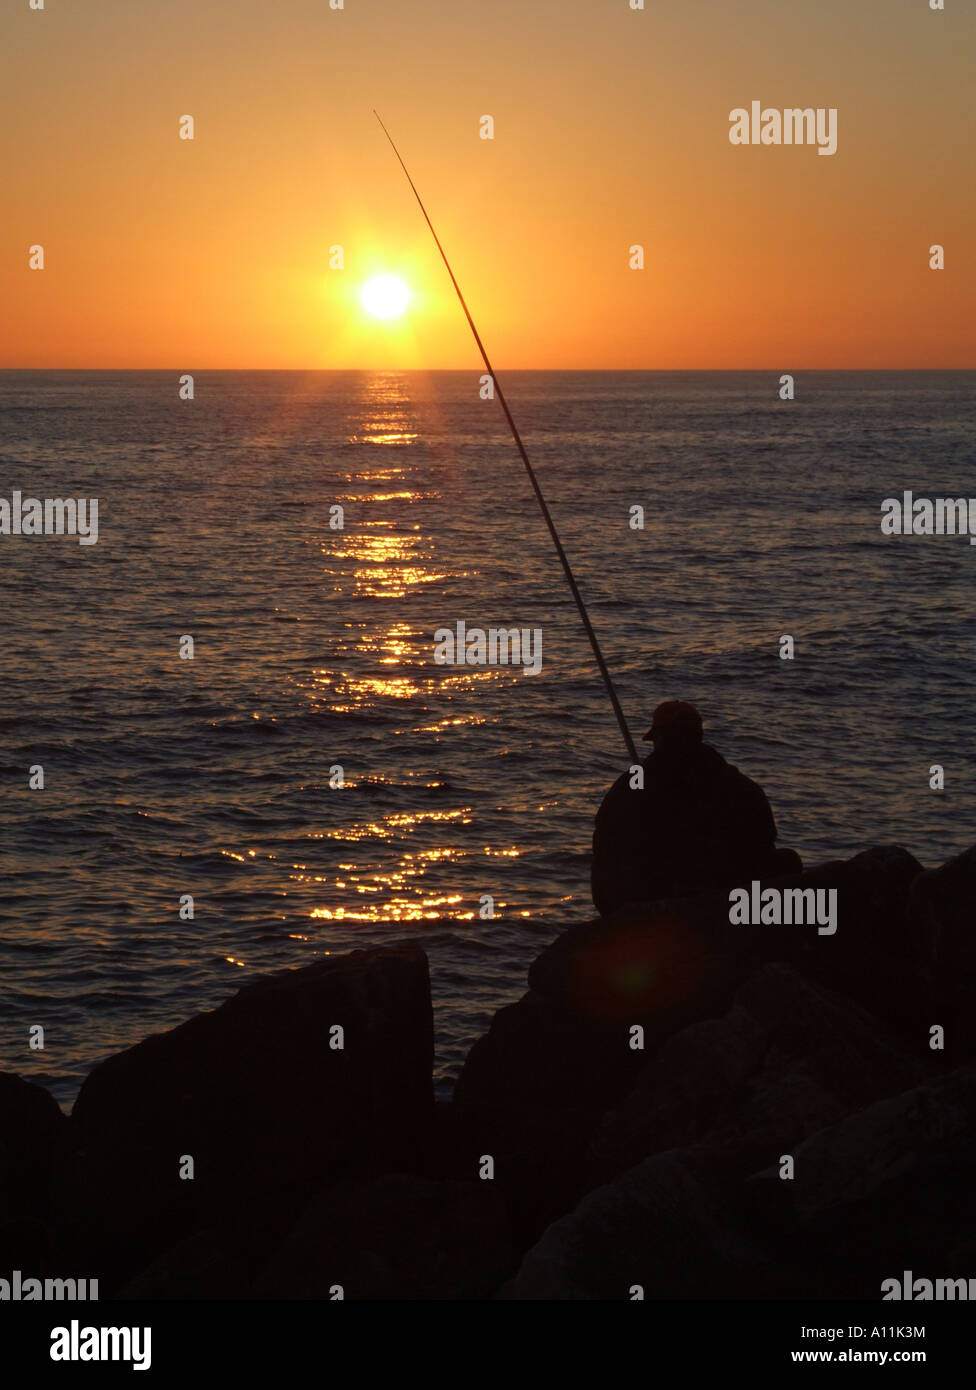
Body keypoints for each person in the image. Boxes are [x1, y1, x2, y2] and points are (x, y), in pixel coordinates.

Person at [591, 700, 801, 916]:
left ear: (660, 738)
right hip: (729, 896)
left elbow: (605, 849)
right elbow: (764, 845)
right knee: (787, 860)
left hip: (660, 897)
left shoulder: (630, 787)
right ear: (698, 736)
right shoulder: (739, 785)